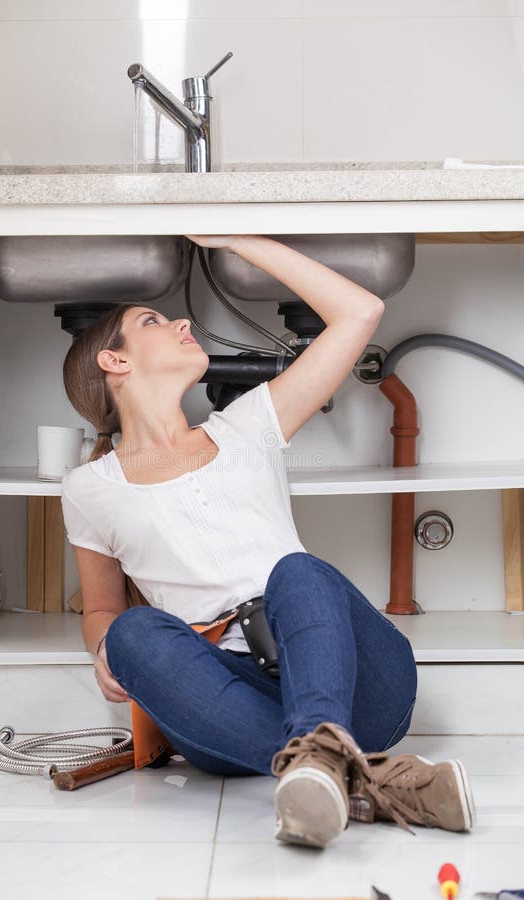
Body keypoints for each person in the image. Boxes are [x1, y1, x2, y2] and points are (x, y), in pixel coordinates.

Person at [60, 234, 476, 849]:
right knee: (130, 636)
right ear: (114, 362)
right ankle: (351, 774)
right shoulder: (88, 488)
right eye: (152, 320)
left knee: (295, 573)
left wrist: (238, 239)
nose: (180, 322)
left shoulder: (248, 425)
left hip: (360, 682)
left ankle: (327, 756)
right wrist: (104, 651)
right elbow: (101, 611)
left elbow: (360, 312)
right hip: (227, 702)